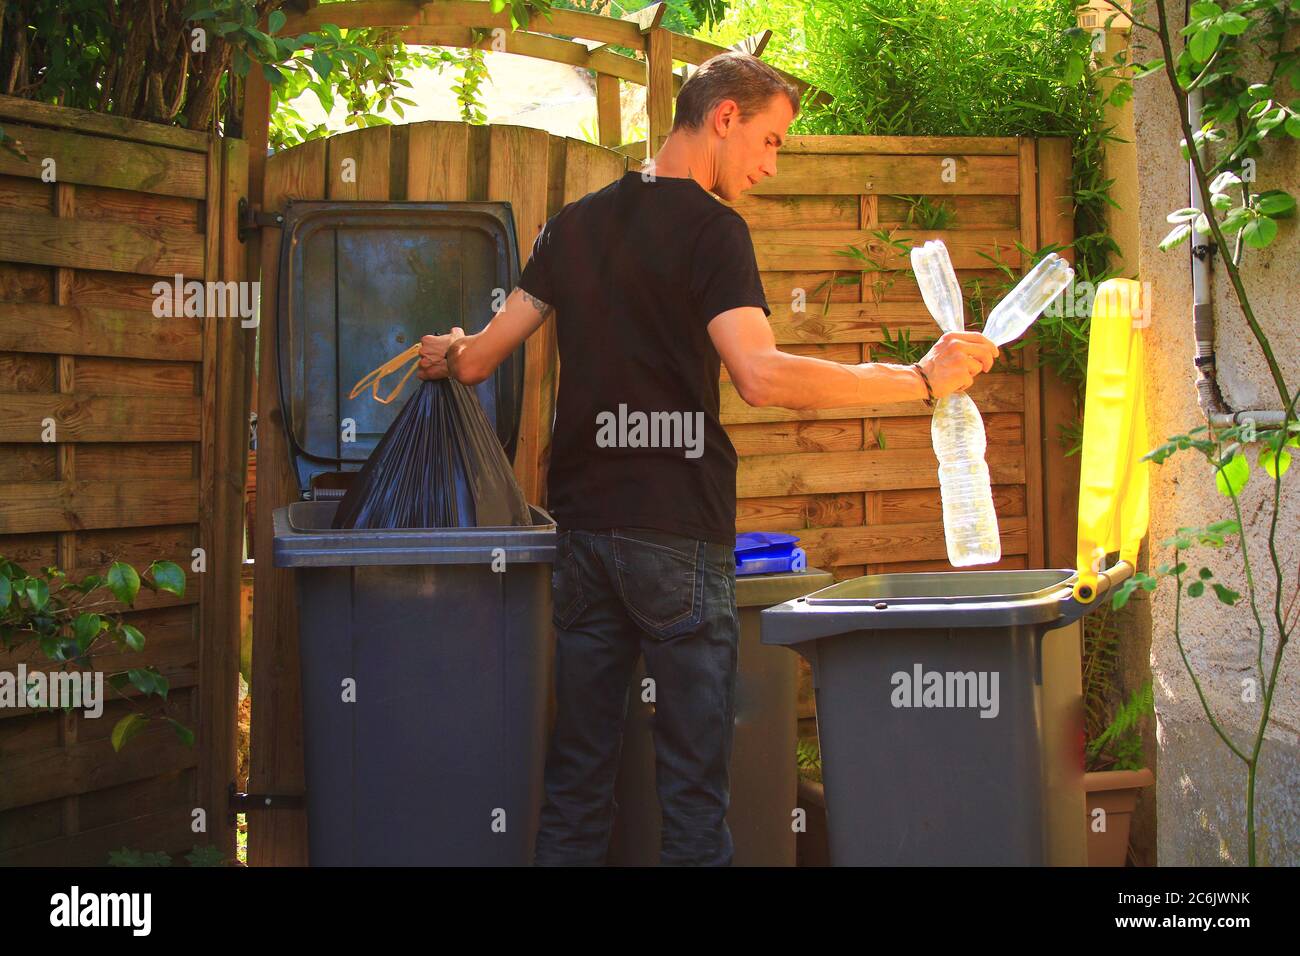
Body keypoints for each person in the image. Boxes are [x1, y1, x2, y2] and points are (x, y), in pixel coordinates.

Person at [416, 51, 998, 866]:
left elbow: (478, 361)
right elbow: (760, 377)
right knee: (692, 791)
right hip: (673, 538)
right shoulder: (714, 231)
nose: (768, 165)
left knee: (579, 779)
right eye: (770, 141)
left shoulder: (572, 224)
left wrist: (446, 349)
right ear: (723, 116)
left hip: (583, 534)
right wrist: (919, 379)